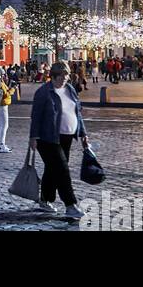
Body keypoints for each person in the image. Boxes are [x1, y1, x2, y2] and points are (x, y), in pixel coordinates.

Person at [29, 62, 88, 219]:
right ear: (53, 76)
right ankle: (70, 205)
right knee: (62, 170)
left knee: (52, 170)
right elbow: (36, 116)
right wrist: (33, 137)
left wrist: (83, 133)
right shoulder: (43, 92)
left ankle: (44, 199)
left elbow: (77, 111)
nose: (64, 79)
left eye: (66, 75)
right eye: (61, 76)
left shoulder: (70, 89)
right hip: (47, 138)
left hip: (67, 136)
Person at [0, 75, 13, 153]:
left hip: (0, 105)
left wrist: (10, 86)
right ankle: (2, 144)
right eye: (4, 75)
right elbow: (5, 95)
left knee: (0, 125)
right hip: (3, 105)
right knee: (5, 125)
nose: (6, 76)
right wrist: (13, 89)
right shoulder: (0, 83)